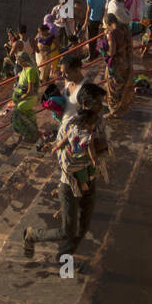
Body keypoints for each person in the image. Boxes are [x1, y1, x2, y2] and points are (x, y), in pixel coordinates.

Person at [23, 82, 109, 259]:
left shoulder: (99, 122)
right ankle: (32, 235)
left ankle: (63, 256)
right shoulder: (71, 125)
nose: (102, 107)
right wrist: (87, 151)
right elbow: (64, 157)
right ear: (85, 104)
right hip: (70, 183)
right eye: (98, 103)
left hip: (90, 177)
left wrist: (96, 149)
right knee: (67, 231)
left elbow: (104, 146)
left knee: (83, 226)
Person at [101, 13, 133, 117]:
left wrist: (103, 50)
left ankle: (114, 111)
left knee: (113, 88)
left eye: (105, 25)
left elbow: (112, 52)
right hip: (126, 61)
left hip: (116, 64)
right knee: (122, 86)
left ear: (108, 23)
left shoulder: (112, 34)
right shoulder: (124, 28)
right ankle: (122, 108)